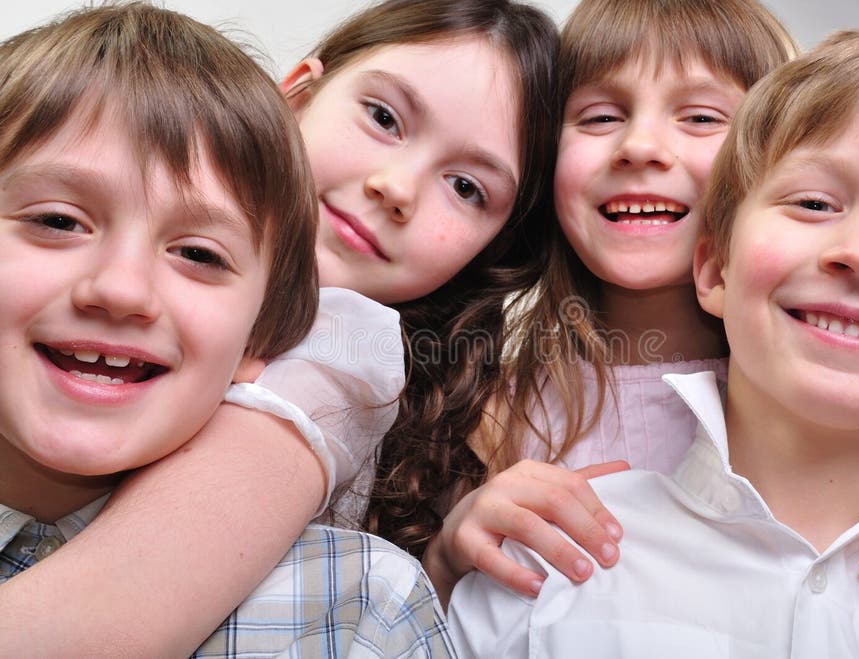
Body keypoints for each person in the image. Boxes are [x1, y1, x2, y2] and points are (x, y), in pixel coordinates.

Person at [415, 1, 859, 656]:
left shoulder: (852, 384)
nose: (640, 147)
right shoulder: (495, 400)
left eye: (700, 117)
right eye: (601, 116)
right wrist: (448, 555)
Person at [0, 0, 559, 655]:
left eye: (467, 187)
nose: (397, 188)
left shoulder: (355, 349)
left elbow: (109, 614)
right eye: (383, 117)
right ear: (297, 92)